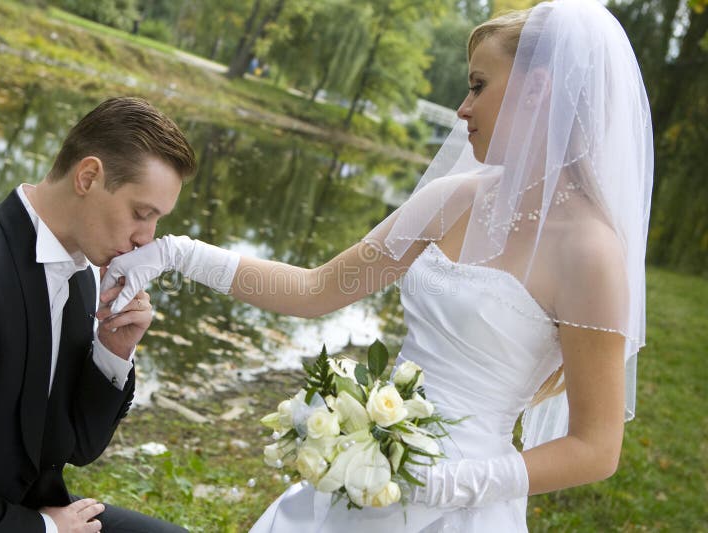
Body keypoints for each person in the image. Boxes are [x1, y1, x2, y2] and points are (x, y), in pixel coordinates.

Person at [101, 1, 653, 531]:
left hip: (463, 498)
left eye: (479, 85)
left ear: (538, 90)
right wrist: (176, 254)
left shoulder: (591, 252)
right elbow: (315, 290)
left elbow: (596, 448)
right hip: (368, 468)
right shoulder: (454, 198)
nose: (463, 108)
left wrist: (449, 485)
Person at [0, 97, 195, 533]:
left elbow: (76, 446)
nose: (146, 239)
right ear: (88, 176)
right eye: (141, 213)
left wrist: (113, 353)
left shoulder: (79, 272)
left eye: (157, 220)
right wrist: (49, 530)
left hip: (33, 509)